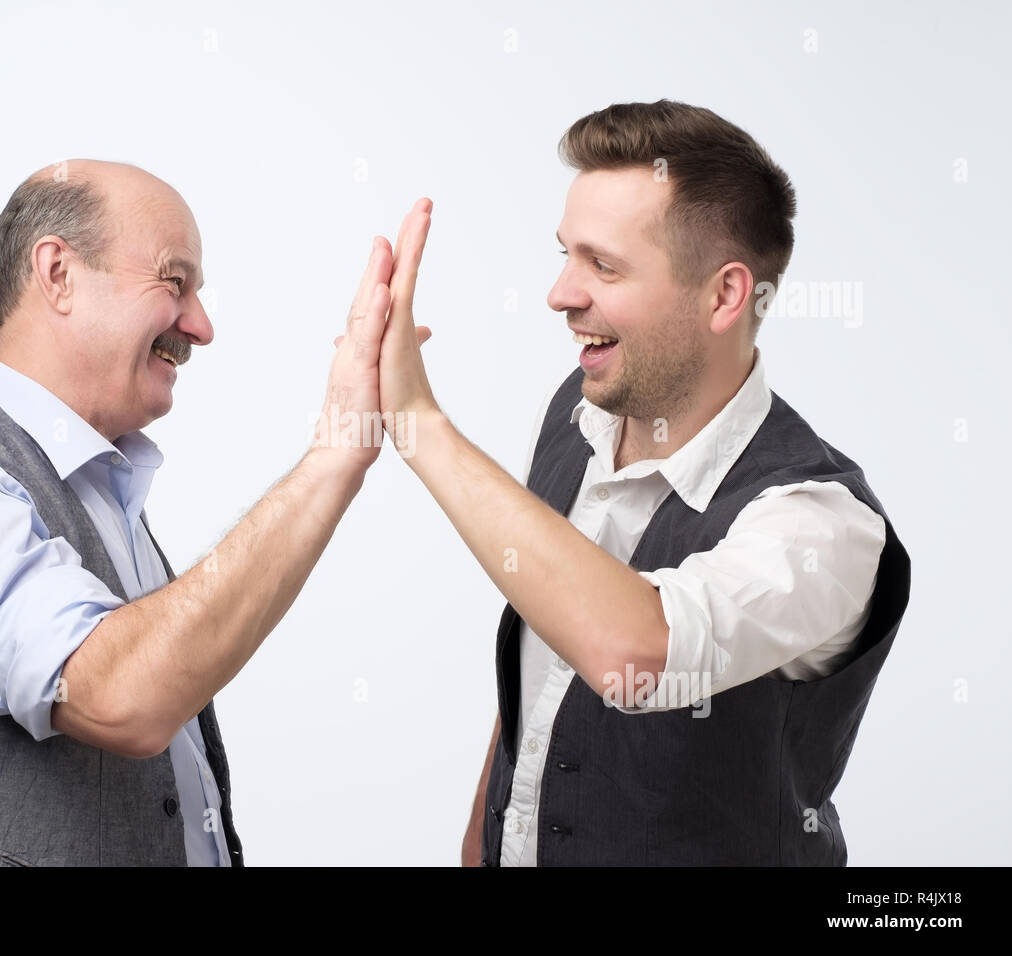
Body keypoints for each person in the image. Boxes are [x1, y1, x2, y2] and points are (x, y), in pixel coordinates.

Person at [0, 159, 425, 866]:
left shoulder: (107, 493)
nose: (201, 327)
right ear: (57, 274)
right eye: (175, 282)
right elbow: (123, 695)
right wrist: (333, 457)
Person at [371, 100, 911, 866]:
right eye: (565, 254)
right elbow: (546, 638)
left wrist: (421, 426)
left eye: (603, 265)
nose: (561, 293)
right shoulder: (575, 413)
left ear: (725, 295)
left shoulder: (820, 523)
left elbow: (636, 655)